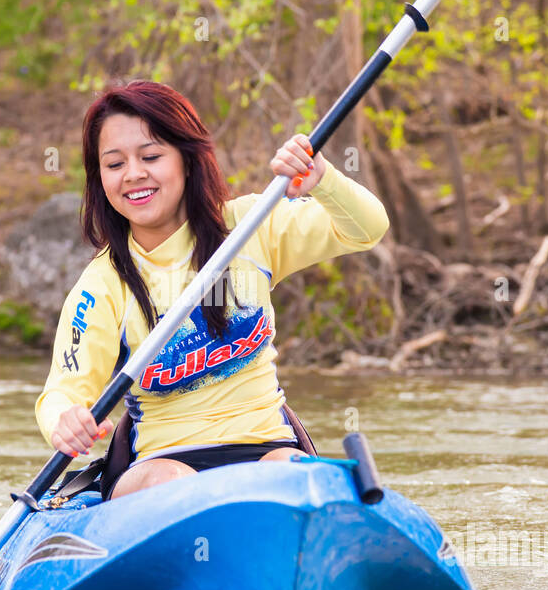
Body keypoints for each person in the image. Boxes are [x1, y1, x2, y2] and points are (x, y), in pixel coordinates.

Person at [36, 80, 389, 499]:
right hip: (160, 462)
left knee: (285, 477)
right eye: (114, 164)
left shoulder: (249, 227)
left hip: (267, 448)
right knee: (174, 484)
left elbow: (367, 228)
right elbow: (63, 391)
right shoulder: (102, 284)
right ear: (100, 178)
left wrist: (324, 180)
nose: (133, 174)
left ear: (187, 161)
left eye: (151, 156)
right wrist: (65, 420)